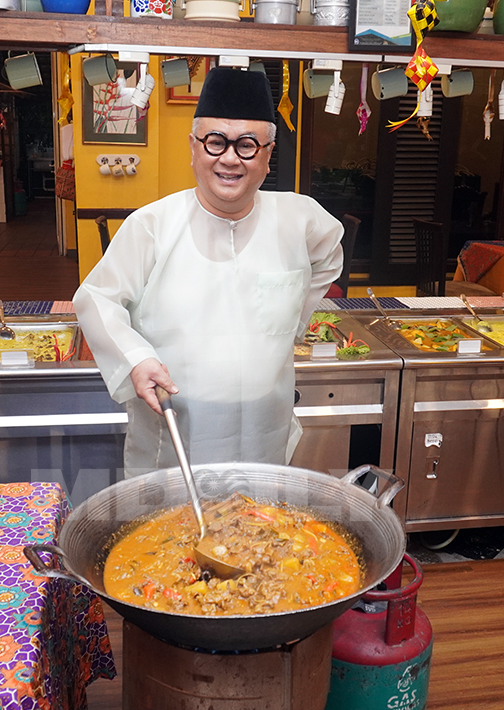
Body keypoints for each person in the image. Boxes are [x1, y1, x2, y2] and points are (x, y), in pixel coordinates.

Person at [73, 67, 343, 477]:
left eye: (248, 145)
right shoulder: (153, 225)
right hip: (175, 443)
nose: (230, 159)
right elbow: (96, 297)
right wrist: (135, 358)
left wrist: (292, 322)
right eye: (216, 142)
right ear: (194, 147)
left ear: (269, 154)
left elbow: (329, 259)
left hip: (265, 436)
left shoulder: (300, 219)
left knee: (260, 532)